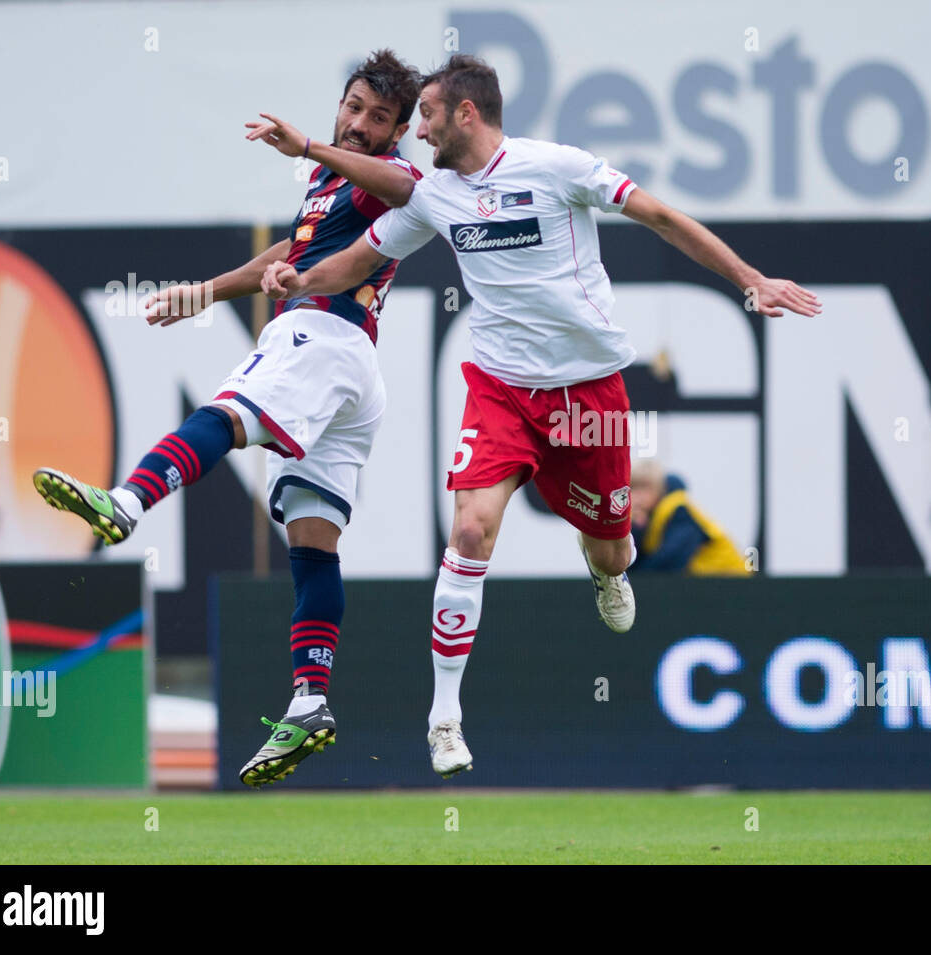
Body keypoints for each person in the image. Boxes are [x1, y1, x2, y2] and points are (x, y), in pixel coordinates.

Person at [252, 54, 820, 778]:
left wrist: (751, 280)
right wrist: (299, 277)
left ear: (466, 113)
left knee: (612, 547)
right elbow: (357, 260)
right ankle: (445, 719)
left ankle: (606, 564)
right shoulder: (432, 195)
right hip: (500, 390)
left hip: (590, 392)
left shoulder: (558, 167)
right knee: (469, 528)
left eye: (425, 116)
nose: (415, 133)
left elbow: (662, 216)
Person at [33, 49, 424, 787]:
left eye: (380, 118)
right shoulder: (330, 178)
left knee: (223, 412)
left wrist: (311, 143)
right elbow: (296, 248)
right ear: (340, 101)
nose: (361, 125)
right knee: (312, 542)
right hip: (353, 366)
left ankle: (125, 503)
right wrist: (207, 292)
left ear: (401, 128)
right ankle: (311, 698)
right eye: (354, 107)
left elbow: (407, 187)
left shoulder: (386, 173)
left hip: (324, 336)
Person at [629, 459, 750, 576]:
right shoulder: (644, 518)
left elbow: (671, 562)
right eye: (632, 488)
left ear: (661, 489)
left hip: (731, 577)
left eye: (645, 488)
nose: (638, 496)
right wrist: (637, 528)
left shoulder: (679, 511)